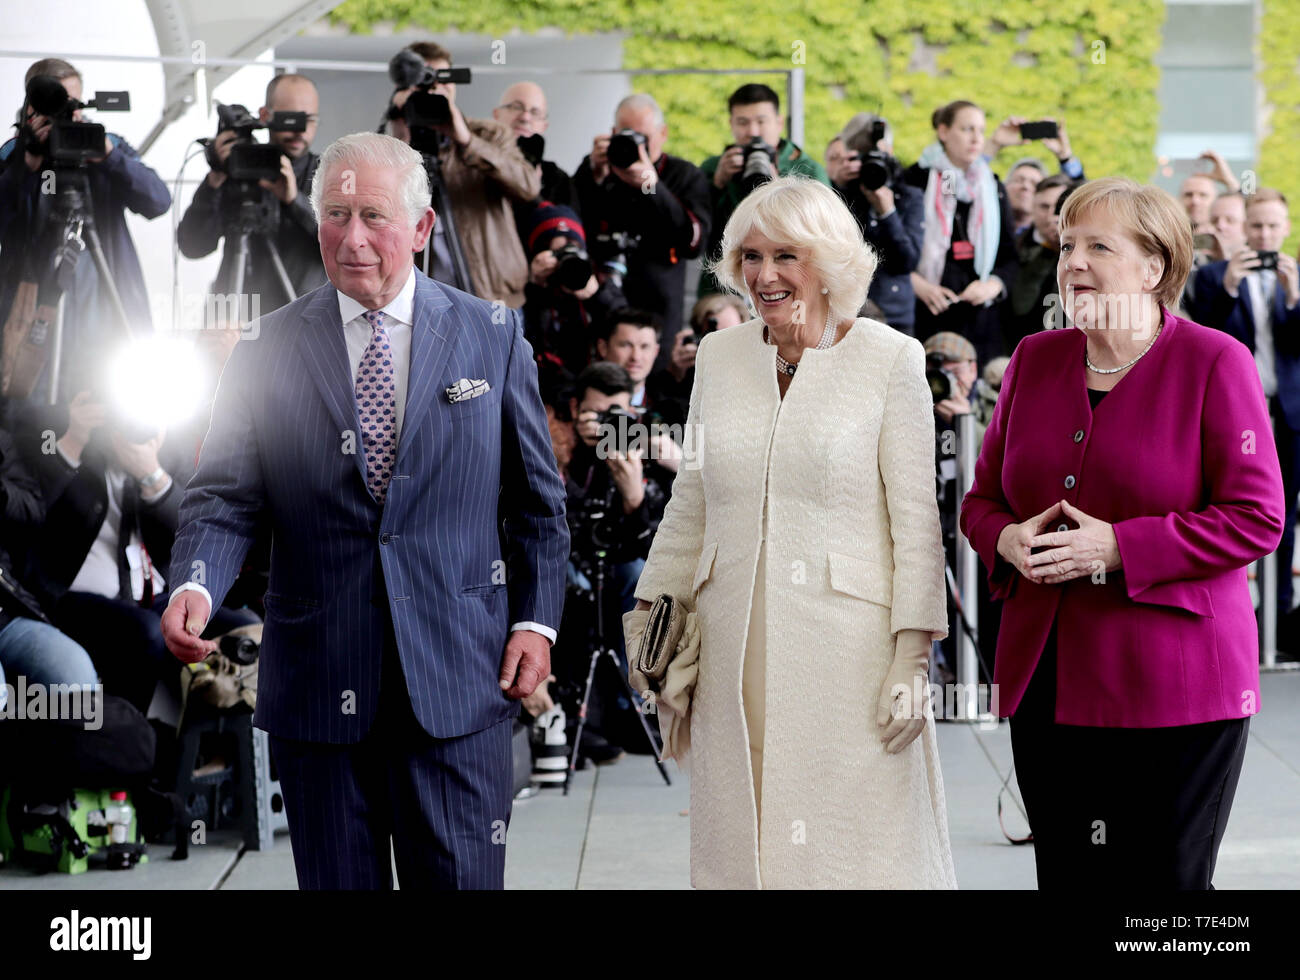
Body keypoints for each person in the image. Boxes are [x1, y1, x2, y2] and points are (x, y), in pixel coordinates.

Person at [161, 132, 569, 890]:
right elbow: (223, 496)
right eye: (335, 213)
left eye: (373, 215)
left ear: (420, 229)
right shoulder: (265, 348)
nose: (351, 238)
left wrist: (535, 623)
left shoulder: (491, 337)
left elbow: (539, 508)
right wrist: (195, 583)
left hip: (458, 681)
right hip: (320, 689)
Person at [627, 175, 955, 889]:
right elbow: (692, 498)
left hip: (852, 656)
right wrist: (651, 611)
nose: (764, 275)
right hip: (732, 642)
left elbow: (917, 524)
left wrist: (913, 660)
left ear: (830, 260)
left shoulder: (890, 359)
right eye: (749, 256)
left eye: (785, 255)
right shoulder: (721, 357)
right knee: (744, 840)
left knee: (853, 851)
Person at [961, 177, 1283, 889]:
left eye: (1097, 246)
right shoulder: (1034, 359)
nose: (1072, 261)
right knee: (1072, 878)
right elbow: (982, 501)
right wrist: (1006, 539)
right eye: (1066, 244)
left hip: (1178, 683)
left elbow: (1257, 516)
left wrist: (1119, 547)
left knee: (1161, 892)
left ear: (1154, 268)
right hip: (1046, 681)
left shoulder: (1215, 361)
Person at [0, 58, 170, 408]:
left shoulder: (106, 147)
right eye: (56, 105)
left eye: (74, 104)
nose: (68, 115)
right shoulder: (15, 154)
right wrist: (26, 166)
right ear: (31, 107)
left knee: (111, 419)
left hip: (107, 320)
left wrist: (108, 156)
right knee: (33, 424)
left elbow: (158, 201)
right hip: (32, 326)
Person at [1191, 187, 1300, 619]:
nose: (1265, 234)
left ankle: (1280, 614)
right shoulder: (1214, 275)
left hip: (1289, 410)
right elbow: (1207, 332)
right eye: (1257, 225)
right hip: (1236, 411)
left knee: (1285, 511)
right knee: (1229, 509)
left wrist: (1293, 298)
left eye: (1274, 225)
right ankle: (1233, 613)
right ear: (1245, 227)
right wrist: (1231, 285)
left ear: (1287, 228)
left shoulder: (1297, 276)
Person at [387, 42, 539, 307]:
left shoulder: (489, 135)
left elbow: (528, 186)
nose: (435, 90)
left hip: (493, 298)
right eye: (425, 84)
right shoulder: (393, 146)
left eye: (443, 80)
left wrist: (467, 141)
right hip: (430, 302)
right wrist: (400, 135)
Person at [177, 74, 327, 315]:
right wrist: (216, 177)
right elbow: (192, 246)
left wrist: (293, 200)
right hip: (233, 322)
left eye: (309, 119)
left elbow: (340, 243)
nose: (300, 130)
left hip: (301, 320)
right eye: (291, 119)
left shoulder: (326, 173)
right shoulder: (235, 169)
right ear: (265, 116)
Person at [574, 94, 711, 355]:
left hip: (658, 311)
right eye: (626, 135)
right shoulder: (599, 171)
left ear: (663, 133)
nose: (634, 146)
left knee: (655, 389)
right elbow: (574, 221)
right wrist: (592, 174)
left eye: (643, 138)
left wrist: (651, 185)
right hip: (599, 306)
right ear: (613, 133)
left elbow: (694, 242)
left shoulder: (684, 175)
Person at [905, 100, 1018, 367]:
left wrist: (991, 286)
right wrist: (918, 284)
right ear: (943, 132)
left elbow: (1010, 257)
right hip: (925, 314)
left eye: (981, 130)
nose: (977, 138)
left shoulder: (991, 186)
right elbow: (886, 251)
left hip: (978, 321)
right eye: (967, 129)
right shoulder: (915, 180)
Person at [697, 84, 829, 296]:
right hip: (722, 291)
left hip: (788, 288)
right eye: (743, 122)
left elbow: (824, 237)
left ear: (778, 122)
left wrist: (781, 191)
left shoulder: (807, 170)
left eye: (761, 121)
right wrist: (717, 185)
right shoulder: (713, 168)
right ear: (731, 124)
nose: (753, 132)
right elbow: (694, 236)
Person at [834, 113, 924, 334]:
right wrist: (839, 188)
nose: (869, 164)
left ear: (890, 153)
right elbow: (834, 251)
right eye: (861, 157)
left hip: (895, 314)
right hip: (847, 311)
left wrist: (888, 212)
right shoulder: (842, 196)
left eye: (876, 156)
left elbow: (907, 262)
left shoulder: (909, 196)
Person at [521, 202, 624, 378]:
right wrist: (534, 287)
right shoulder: (523, 285)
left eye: (573, 246)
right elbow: (524, 344)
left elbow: (624, 329)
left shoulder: (598, 280)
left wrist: (598, 295)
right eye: (557, 251)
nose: (568, 254)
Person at [491, 81, 582, 246]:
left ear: (544, 125)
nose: (525, 117)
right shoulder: (474, 166)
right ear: (496, 115)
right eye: (516, 107)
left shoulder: (558, 179)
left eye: (535, 112)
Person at [1008, 174, 1073, 347]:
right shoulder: (1013, 244)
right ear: (1033, 207)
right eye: (1045, 206)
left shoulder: (1081, 254)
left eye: (1059, 207)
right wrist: (1047, 249)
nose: (1052, 215)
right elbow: (1019, 304)